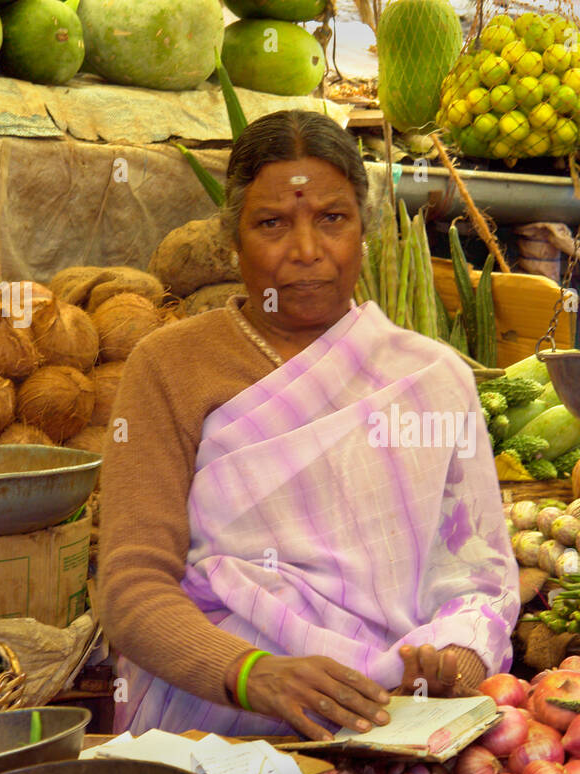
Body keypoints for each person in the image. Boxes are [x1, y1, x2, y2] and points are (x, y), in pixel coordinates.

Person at [97, 109, 520, 740]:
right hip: (215, 721)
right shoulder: (170, 365)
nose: (306, 251)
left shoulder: (430, 376)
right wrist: (251, 674)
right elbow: (131, 586)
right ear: (232, 238)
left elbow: (478, 575)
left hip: (390, 721)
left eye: (332, 219)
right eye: (272, 223)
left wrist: (454, 654)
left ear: (363, 228)